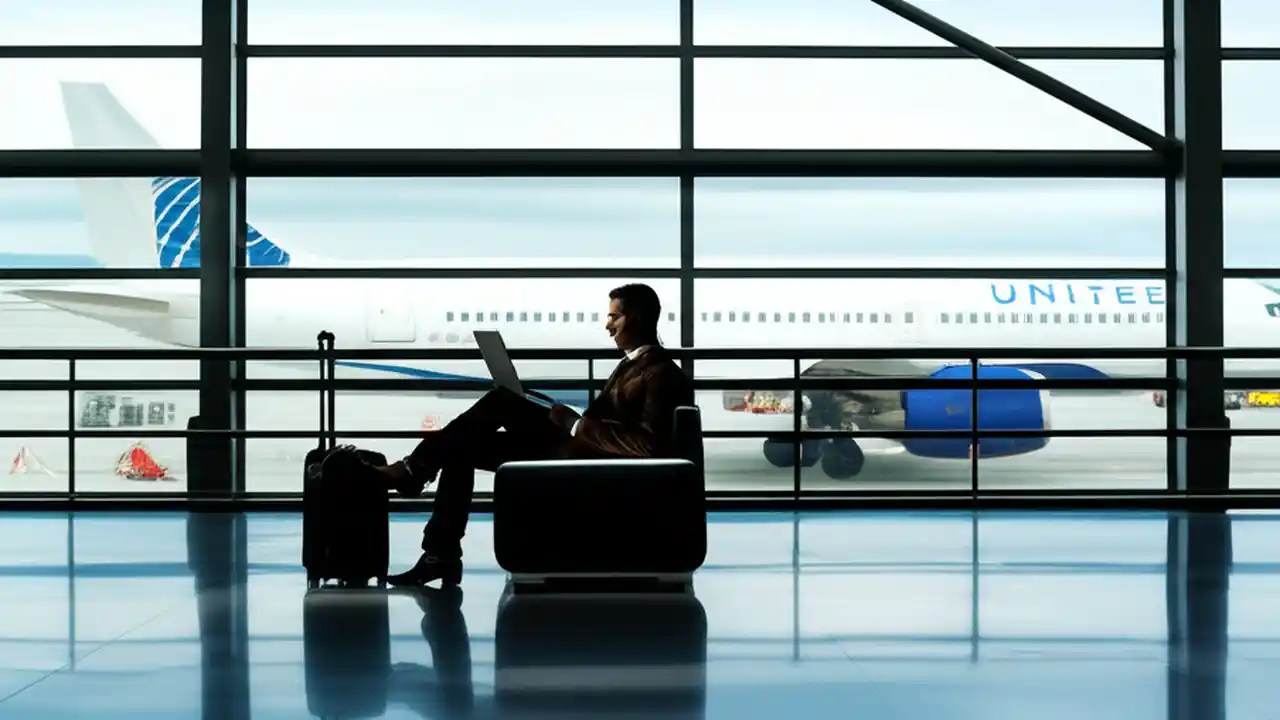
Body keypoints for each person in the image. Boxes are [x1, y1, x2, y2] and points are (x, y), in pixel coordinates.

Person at [328, 283, 694, 587]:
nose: (607, 325)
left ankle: (411, 474)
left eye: (614, 316)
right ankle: (439, 553)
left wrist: (575, 424)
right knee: (464, 445)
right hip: (575, 447)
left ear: (639, 318)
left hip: (582, 458)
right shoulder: (634, 365)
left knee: (501, 402)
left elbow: (647, 446)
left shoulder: (661, 373)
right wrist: (560, 416)